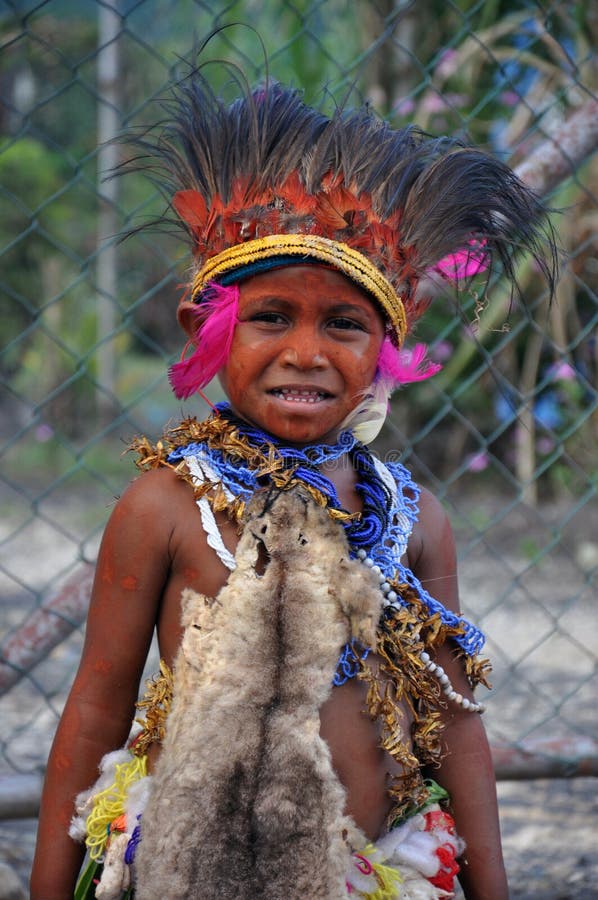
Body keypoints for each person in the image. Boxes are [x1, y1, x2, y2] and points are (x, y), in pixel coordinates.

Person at [30, 57, 555, 900]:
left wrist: (491, 888)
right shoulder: (168, 505)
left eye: (343, 325)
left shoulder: (414, 519)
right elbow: (97, 707)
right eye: (270, 317)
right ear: (209, 329)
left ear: (384, 353)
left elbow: (456, 723)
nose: (305, 353)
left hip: (382, 873)